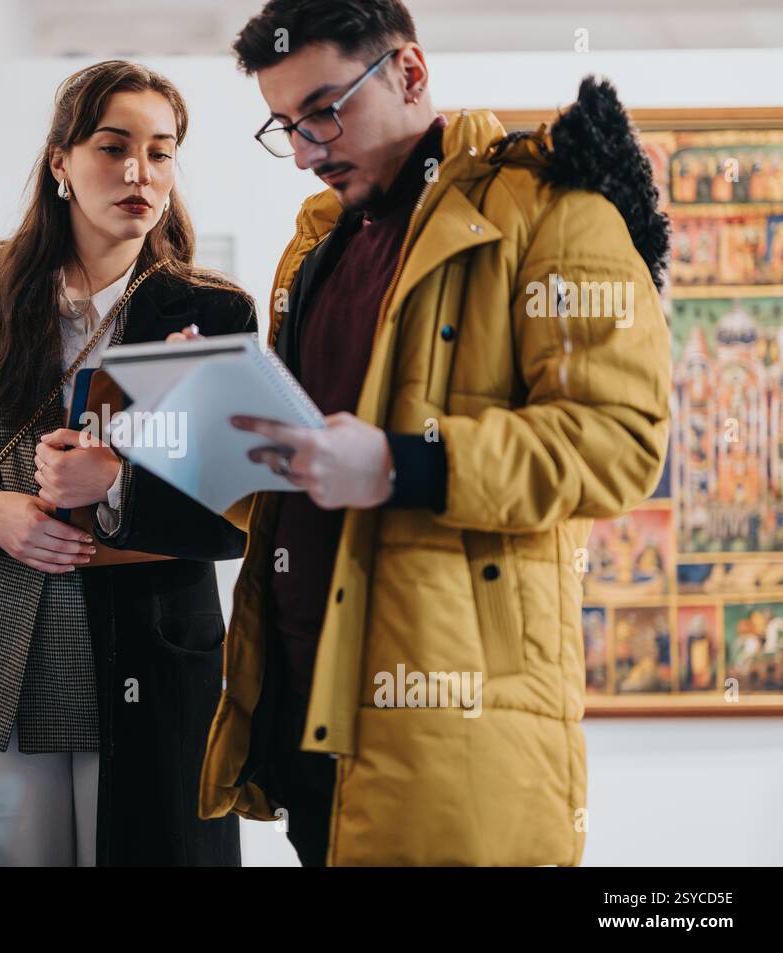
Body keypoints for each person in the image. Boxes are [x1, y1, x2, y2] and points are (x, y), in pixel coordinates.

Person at [192, 0, 673, 865]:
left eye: (326, 110)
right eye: (286, 126)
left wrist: (401, 466)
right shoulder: (317, 248)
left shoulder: (554, 209)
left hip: (456, 737)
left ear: (410, 73)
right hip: (304, 720)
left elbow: (620, 442)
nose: (307, 150)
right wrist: (213, 426)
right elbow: (307, 471)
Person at [0, 59, 257, 866]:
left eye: (161, 152)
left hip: (143, 649)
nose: (138, 172)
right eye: (112, 146)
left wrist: (117, 484)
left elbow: (237, 515)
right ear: (60, 162)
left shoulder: (209, 309)